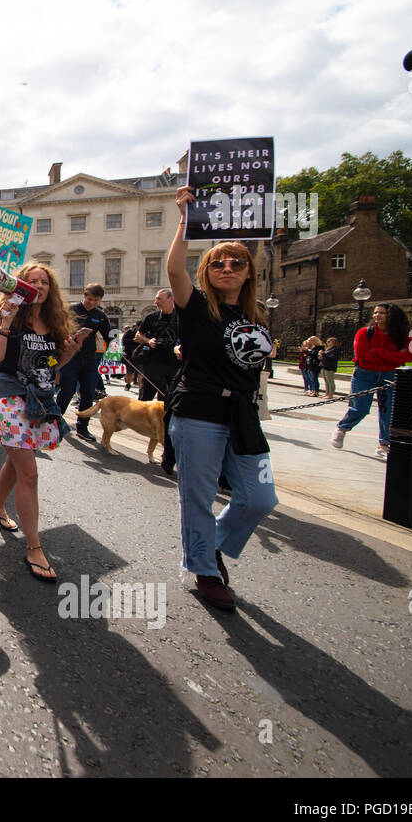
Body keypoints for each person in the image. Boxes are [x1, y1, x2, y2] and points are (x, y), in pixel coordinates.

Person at [166, 186, 277, 612]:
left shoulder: (257, 316)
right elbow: (176, 271)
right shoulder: (195, 307)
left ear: (249, 272)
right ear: (207, 271)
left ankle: (209, 544)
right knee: (198, 497)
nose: (227, 267)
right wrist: (185, 219)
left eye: (236, 263)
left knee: (260, 498)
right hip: (199, 412)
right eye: (218, 263)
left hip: (243, 416)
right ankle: (205, 569)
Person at [0, 263, 92, 582]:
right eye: (31, 281)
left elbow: (50, 365)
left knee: (18, 465)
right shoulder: (10, 318)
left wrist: (68, 355)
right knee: (29, 471)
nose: (39, 286)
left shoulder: (55, 323)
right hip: (10, 399)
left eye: (44, 282)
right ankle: (34, 547)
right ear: (19, 286)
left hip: (41, 402)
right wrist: (7, 320)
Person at [331, 303, 412, 457]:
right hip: (365, 373)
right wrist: (393, 356)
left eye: (382, 313)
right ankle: (342, 428)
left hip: (390, 374)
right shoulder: (364, 332)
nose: (377, 316)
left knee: (388, 410)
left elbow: (409, 356)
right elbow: (363, 355)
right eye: (376, 313)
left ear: (392, 316)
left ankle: (384, 443)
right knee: (360, 407)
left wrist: (378, 352)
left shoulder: (405, 335)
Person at [55, 282, 114, 442]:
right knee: (67, 391)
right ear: (84, 295)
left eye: (96, 300)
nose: (92, 303)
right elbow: (58, 329)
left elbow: (110, 334)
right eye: (90, 299)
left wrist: (110, 343)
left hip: (89, 359)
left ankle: (82, 427)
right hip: (70, 358)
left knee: (88, 393)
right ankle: (55, 422)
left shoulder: (100, 315)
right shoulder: (71, 310)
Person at [135, 288, 180, 401]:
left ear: (171, 299)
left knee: (168, 399)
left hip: (173, 364)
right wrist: (148, 341)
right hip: (153, 364)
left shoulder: (181, 317)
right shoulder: (152, 317)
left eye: (159, 299)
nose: (156, 302)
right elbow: (138, 335)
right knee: (145, 399)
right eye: (156, 299)